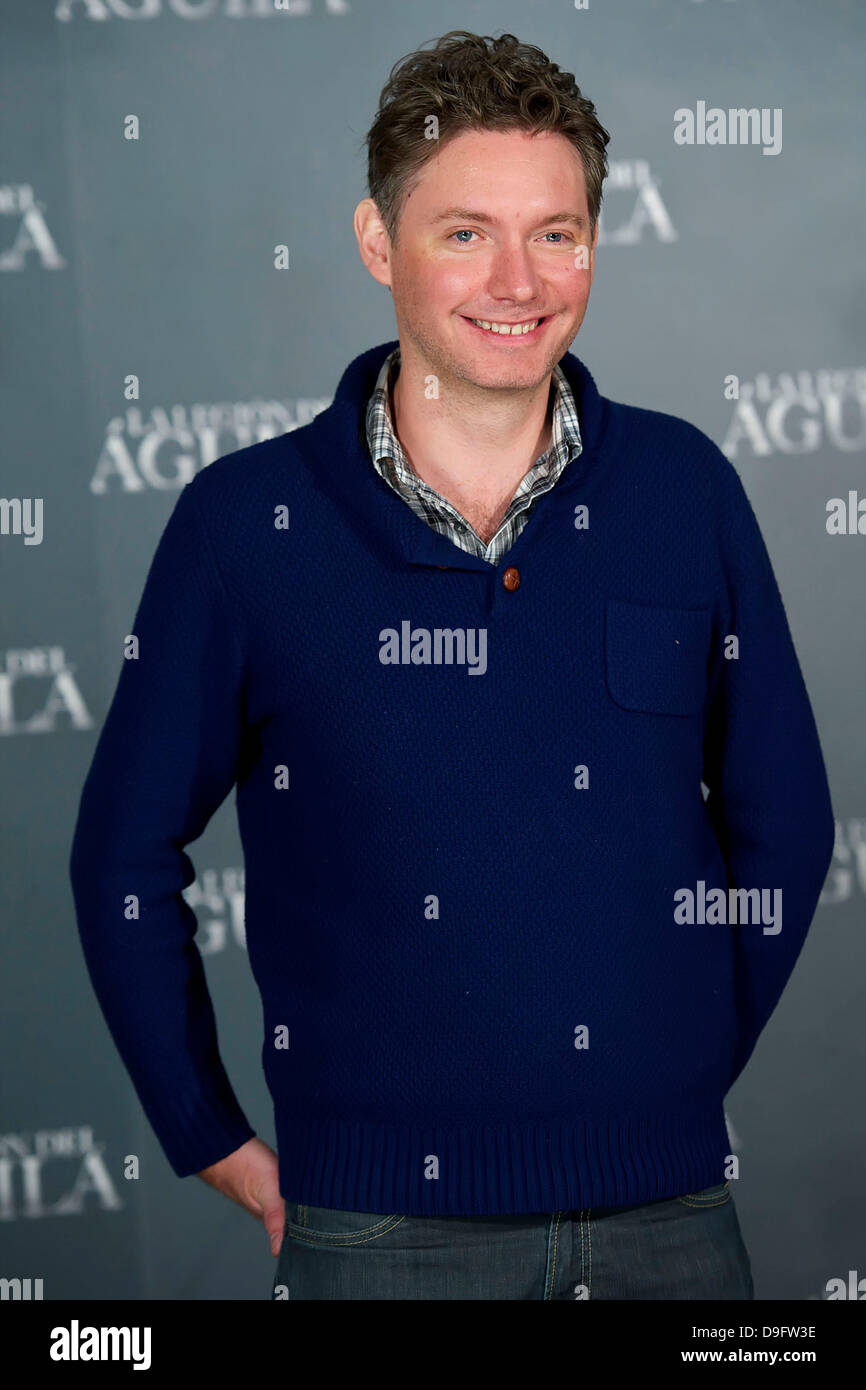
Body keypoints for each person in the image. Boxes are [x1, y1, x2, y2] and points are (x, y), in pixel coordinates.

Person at [69, 30, 835, 1301]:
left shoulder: (681, 489)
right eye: (464, 231)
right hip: (377, 1236)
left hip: (670, 1225)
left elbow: (785, 820)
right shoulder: (246, 525)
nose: (518, 278)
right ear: (378, 243)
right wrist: (202, 1128)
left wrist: (668, 1067)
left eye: (556, 231)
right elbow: (120, 854)